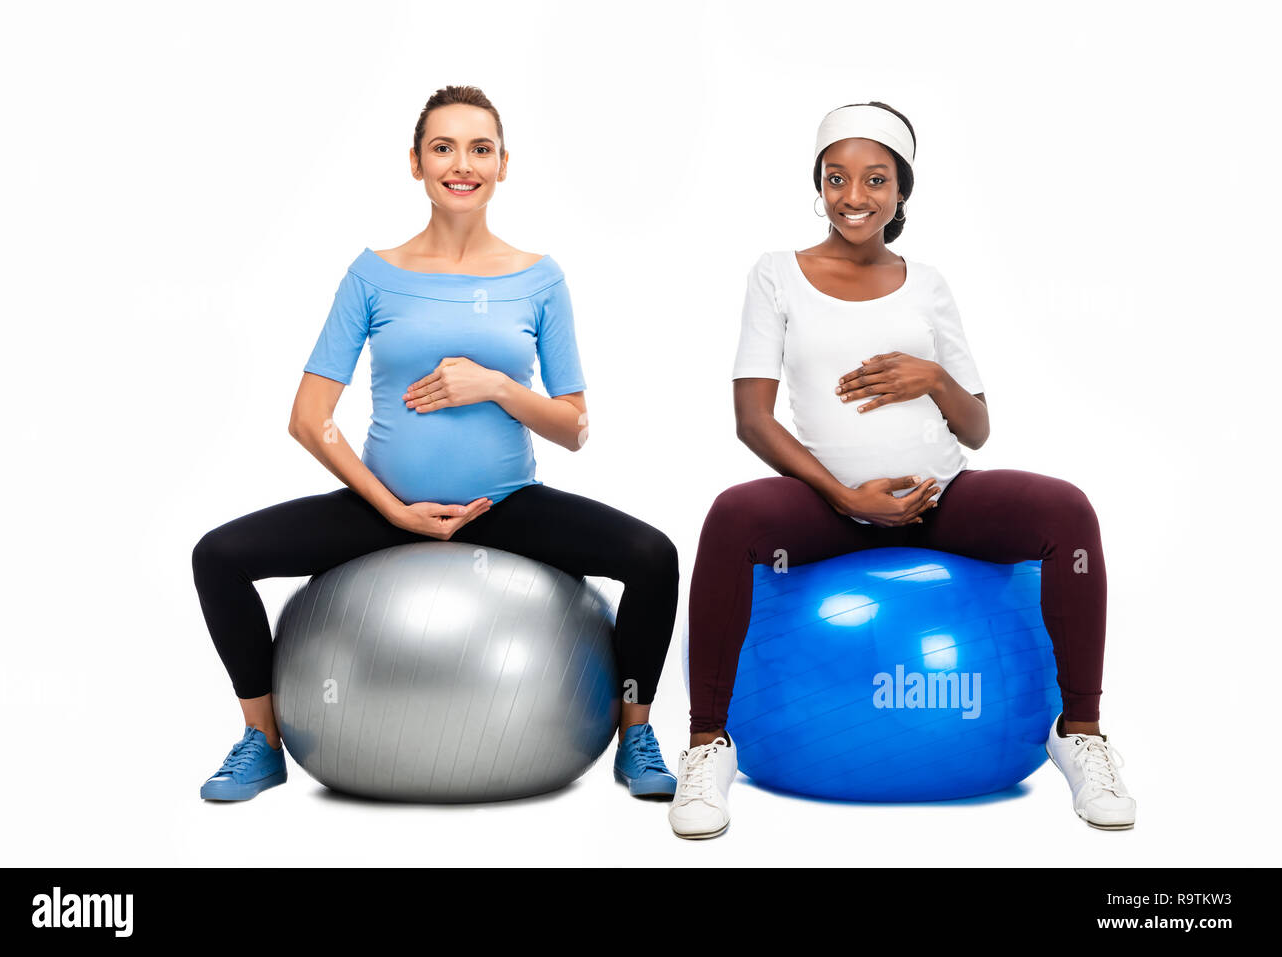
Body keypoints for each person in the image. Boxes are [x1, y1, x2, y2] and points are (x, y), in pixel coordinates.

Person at [192, 85, 678, 803]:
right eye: (443, 148)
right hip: (384, 506)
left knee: (653, 557)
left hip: (505, 505)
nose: (462, 164)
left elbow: (575, 428)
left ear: (504, 164)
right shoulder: (372, 274)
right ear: (416, 163)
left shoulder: (539, 279)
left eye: (480, 149)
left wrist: (497, 386)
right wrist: (392, 508)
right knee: (218, 556)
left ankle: (635, 735)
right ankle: (261, 741)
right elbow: (309, 417)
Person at [668, 101, 1137, 839]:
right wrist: (844, 495)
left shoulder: (929, 284)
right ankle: (707, 748)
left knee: (1066, 511)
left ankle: (1081, 733)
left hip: (940, 497)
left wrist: (933, 378)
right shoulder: (777, 275)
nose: (854, 196)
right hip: (827, 508)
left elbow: (977, 427)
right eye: (836, 178)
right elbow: (752, 418)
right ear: (818, 185)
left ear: (901, 190)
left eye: (875, 179)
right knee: (732, 516)